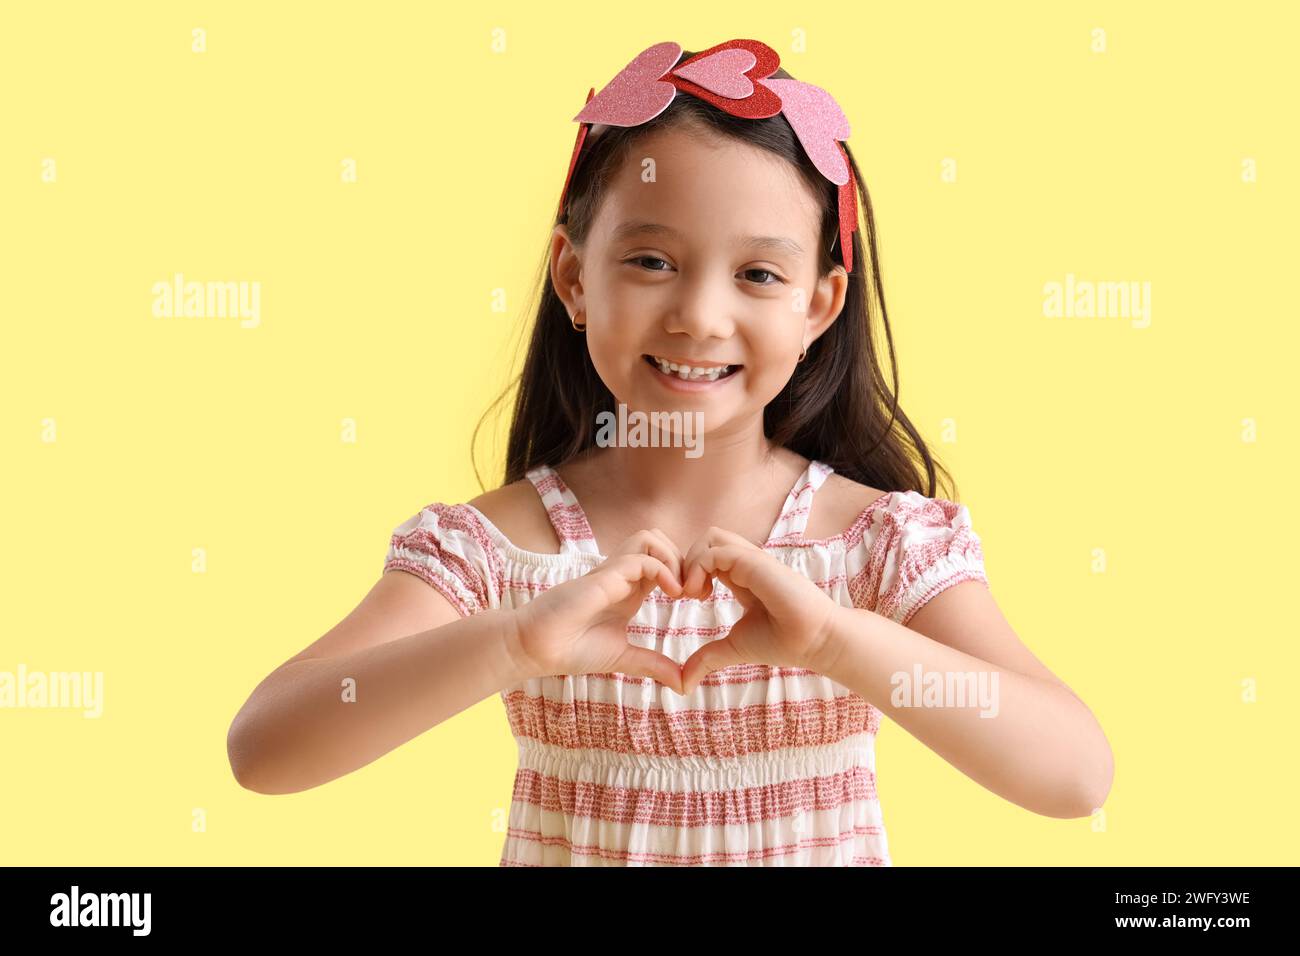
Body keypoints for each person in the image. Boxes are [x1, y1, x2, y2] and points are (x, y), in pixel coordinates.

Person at [227, 39, 1113, 866]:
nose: (698, 315)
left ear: (819, 304)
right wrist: (517, 645)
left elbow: (1075, 774)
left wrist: (839, 644)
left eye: (759, 274)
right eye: (651, 260)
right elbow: (266, 746)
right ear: (574, 277)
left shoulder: (877, 547)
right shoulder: (498, 551)